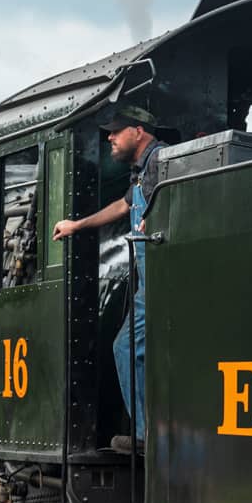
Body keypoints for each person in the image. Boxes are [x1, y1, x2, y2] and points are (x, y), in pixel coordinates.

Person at [51, 106, 165, 453]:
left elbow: (175, 198)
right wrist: (78, 225)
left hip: (163, 280)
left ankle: (149, 434)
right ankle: (149, 430)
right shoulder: (143, 172)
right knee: (128, 347)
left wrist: (159, 215)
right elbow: (122, 206)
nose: (110, 138)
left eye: (116, 132)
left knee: (127, 346)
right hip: (151, 284)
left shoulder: (161, 162)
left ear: (138, 131)